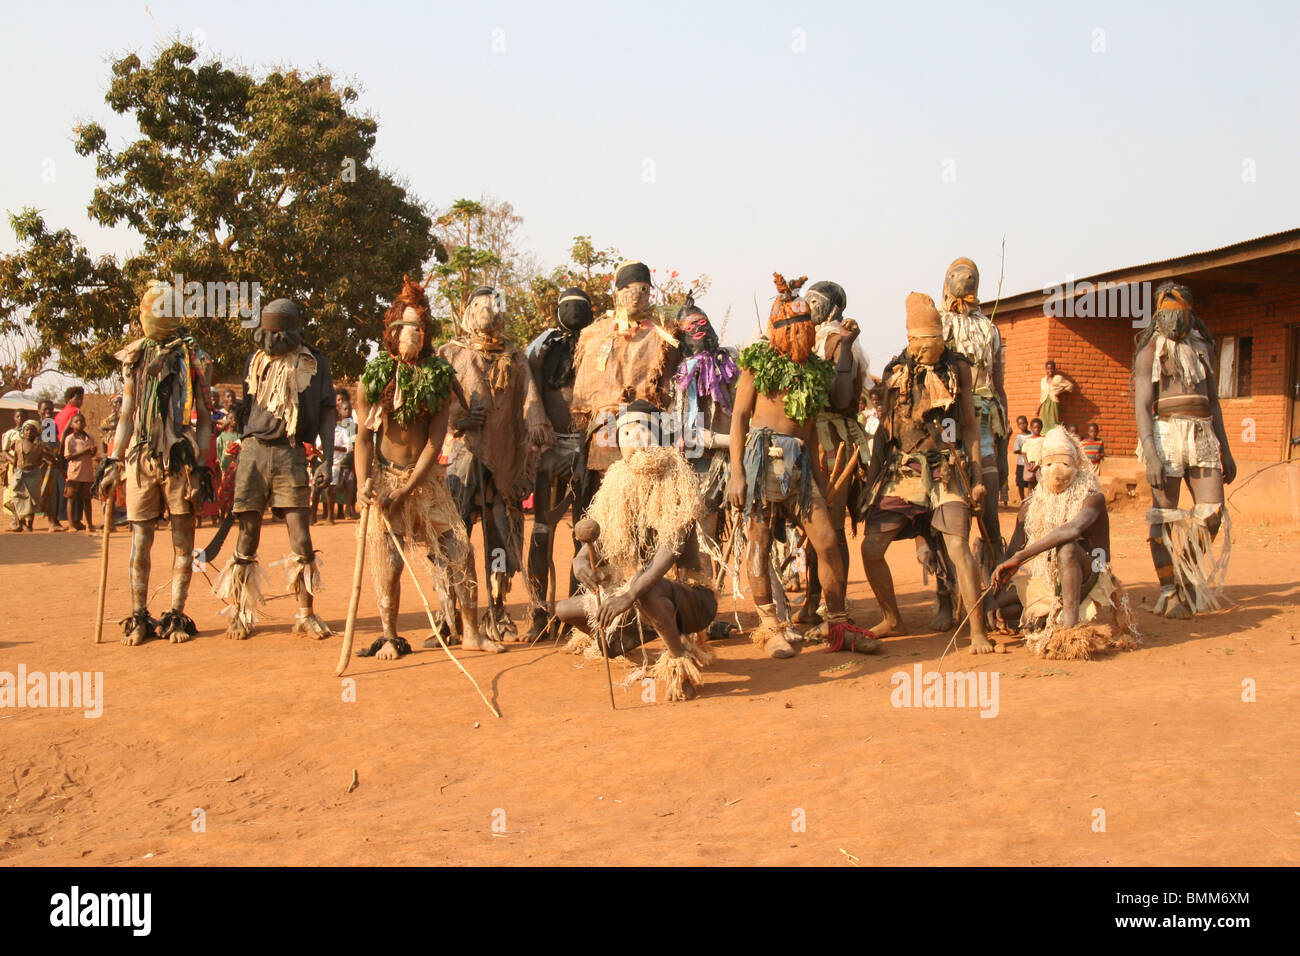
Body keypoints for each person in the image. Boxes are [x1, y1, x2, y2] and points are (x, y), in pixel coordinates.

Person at [729, 273, 881, 658]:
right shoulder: (756, 365)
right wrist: (737, 474)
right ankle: (770, 629)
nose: (798, 335)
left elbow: (810, 428)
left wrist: (816, 472)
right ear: (776, 330)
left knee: (827, 542)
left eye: (803, 328)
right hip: (763, 457)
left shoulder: (813, 370)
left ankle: (839, 625)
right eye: (790, 329)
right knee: (759, 543)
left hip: (801, 463)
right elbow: (738, 420)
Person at [354, 276, 502, 659]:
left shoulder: (437, 376)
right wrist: (363, 485)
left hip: (425, 482)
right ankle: (389, 635)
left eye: (420, 329)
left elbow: (436, 441)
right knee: (388, 560)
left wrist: (408, 489)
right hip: (385, 479)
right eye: (407, 329)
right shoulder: (372, 379)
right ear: (391, 332)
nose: (414, 336)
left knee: (462, 549)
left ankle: (470, 631)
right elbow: (362, 439)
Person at [857, 292, 991, 652]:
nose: (926, 348)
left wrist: (976, 477)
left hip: (947, 469)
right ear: (909, 338)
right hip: (902, 471)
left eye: (933, 340)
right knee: (871, 548)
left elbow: (969, 425)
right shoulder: (895, 371)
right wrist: (871, 485)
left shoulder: (958, 368)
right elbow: (885, 432)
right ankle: (892, 618)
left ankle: (977, 630)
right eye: (920, 341)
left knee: (959, 548)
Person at [554, 424, 717, 701]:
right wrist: (580, 563)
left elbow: (668, 553)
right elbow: (599, 543)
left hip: (692, 599)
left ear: (658, 438)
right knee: (564, 610)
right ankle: (627, 637)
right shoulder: (619, 487)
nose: (636, 441)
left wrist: (629, 595)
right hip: (642, 597)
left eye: (643, 432)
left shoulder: (678, 480)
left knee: (647, 591)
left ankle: (680, 665)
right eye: (627, 435)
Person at [211, 298, 335, 640]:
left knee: (301, 537)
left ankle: (305, 614)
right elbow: (250, 405)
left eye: (276, 332)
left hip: (291, 453)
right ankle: (240, 611)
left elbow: (327, 411)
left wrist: (326, 458)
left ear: (292, 330)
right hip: (253, 452)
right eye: (265, 332)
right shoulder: (256, 361)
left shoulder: (314, 363)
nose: (269, 340)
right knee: (247, 534)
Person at [98, 280, 214, 643]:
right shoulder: (135, 358)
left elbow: (206, 418)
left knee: (183, 542)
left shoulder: (195, 359)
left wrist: (199, 462)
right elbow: (127, 414)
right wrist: (113, 460)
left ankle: (176, 616)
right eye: (148, 308)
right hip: (141, 457)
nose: (150, 315)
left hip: (179, 459)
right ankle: (138, 617)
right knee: (140, 540)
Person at [438, 285, 553, 642]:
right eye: (481, 305)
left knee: (499, 537)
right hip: (463, 457)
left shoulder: (515, 358)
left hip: (504, 458)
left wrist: (535, 423)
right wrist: (458, 419)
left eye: (494, 305)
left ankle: (497, 609)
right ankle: (450, 616)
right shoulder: (450, 354)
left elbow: (531, 401)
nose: (488, 311)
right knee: (454, 535)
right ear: (468, 311)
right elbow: (439, 403)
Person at [1133, 281, 1236, 619]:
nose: (1175, 320)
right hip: (1166, 436)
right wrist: (1150, 453)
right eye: (1168, 314)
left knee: (1211, 512)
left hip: (1203, 434)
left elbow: (1215, 403)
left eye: (1180, 314)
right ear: (1158, 316)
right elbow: (1142, 407)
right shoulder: (1149, 352)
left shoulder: (1205, 347)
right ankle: (1168, 589)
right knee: (1163, 515)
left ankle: (1186, 577)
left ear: (1191, 315)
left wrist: (1227, 450)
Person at [992, 427, 1138, 658]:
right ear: (1039, 467)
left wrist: (1019, 558)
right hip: (1047, 579)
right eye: (1049, 464)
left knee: (1067, 548)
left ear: (1076, 464)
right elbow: (1013, 550)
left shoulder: (1092, 498)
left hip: (1091, 572)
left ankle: (1069, 632)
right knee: (1000, 608)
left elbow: (1073, 529)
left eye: (1063, 463)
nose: (1056, 471)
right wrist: (1000, 575)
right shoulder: (1030, 505)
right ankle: (1046, 616)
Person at [524, 286, 599, 641]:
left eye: (579, 308)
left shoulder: (600, 346)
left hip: (589, 453)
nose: (573, 313)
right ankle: (539, 615)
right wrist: (537, 438)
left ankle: (576, 615)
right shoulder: (543, 349)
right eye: (567, 308)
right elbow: (529, 389)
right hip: (549, 451)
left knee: (583, 538)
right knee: (541, 533)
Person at [799, 278, 871, 630]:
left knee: (832, 529)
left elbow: (842, 399)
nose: (808, 307)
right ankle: (813, 602)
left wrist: (843, 348)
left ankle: (833, 608)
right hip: (815, 439)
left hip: (832, 445)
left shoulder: (834, 341)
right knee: (817, 528)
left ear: (833, 308)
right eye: (806, 300)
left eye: (815, 302)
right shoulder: (813, 340)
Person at [670, 296, 739, 581]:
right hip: (685, 461)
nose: (698, 331)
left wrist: (731, 443)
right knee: (685, 535)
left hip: (726, 460)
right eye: (690, 327)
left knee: (707, 535)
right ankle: (692, 600)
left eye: (702, 324)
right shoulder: (674, 368)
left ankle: (705, 604)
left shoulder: (730, 363)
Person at [5, 420, 47, 532]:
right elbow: (16, 458)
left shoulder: (39, 447)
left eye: (32, 430)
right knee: (16, 497)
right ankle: (20, 521)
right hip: (19, 473)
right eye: (27, 429)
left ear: (37, 432)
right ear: (23, 431)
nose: (29, 432)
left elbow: (46, 459)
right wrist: (14, 469)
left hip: (33, 475)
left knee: (32, 499)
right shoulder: (17, 443)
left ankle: (29, 523)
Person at [61, 412, 98, 532]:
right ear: (71, 424)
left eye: (82, 421)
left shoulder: (89, 438)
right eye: (77, 421)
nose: (80, 424)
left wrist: (92, 451)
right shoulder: (70, 439)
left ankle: (89, 524)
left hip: (87, 473)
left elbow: (92, 455)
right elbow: (68, 457)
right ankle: (71, 524)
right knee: (71, 498)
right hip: (74, 473)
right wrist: (86, 451)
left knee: (87, 500)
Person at [36, 398, 65, 531]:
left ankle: (53, 521)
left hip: (52, 465)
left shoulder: (51, 426)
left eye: (50, 410)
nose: (48, 412)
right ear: (39, 412)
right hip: (41, 465)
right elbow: (41, 448)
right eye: (45, 410)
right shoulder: (36, 427)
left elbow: (53, 446)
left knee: (53, 493)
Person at [332, 388, 357, 521]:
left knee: (350, 485)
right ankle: (337, 511)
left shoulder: (352, 425)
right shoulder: (335, 425)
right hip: (337, 461)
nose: (346, 410)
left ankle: (348, 510)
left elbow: (354, 442)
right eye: (339, 400)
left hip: (349, 459)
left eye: (348, 408)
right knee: (336, 486)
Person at [1037, 360, 1072, 433]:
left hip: (1054, 403)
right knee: (1044, 423)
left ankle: (1054, 438)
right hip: (1045, 404)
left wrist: (1059, 392)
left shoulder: (1058, 378)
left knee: (1054, 422)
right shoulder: (1043, 380)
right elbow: (1042, 395)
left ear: (1054, 369)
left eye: (1051, 368)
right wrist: (1038, 408)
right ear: (1045, 369)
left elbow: (1070, 386)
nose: (1050, 370)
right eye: (1048, 368)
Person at [1012, 415, 1031, 503]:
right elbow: (1015, 450)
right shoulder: (1019, 437)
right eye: (1020, 424)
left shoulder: (1032, 434)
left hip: (1031, 462)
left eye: (1024, 423)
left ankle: (1030, 498)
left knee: (1031, 481)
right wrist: (1024, 451)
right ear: (1018, 426)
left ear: (1027, 423)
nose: (1022, 425)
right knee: (1021, 483)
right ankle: (1023, 499)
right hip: (1021, 463)